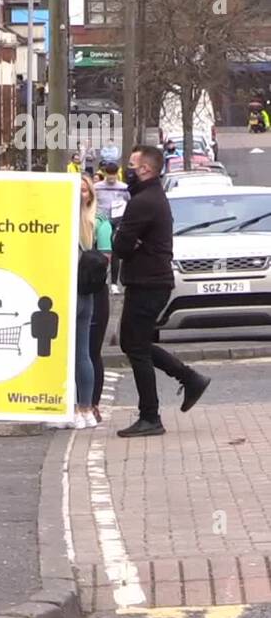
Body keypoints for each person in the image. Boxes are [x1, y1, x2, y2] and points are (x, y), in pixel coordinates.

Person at [114, 145, 211, 437]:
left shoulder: (143, 201)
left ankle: (151, 416)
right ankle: (189, 378)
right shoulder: (151, 197)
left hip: (147, 283)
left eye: (131, 164)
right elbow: (128, 243)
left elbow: (120, 246)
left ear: (145, 169)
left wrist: (129, 241)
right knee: (134, 343)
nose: (126, 169)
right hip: (150, 281)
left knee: (135, 346)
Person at [72, 175, 103, 430]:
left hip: (70, 292)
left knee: (68, 355)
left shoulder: (67, 222)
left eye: (83, 190)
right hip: (88, 294)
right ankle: (87, 408)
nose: (81, 194)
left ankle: (72, 409)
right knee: (83, 354)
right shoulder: (97, 221)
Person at [88, 184, 114, 425]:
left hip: (94, 293)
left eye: (85, 191)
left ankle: (93, 404)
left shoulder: (100, 223)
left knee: (92, 351)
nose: (80, 195)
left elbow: (104, 261)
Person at [94, 162, 129, 294]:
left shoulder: (123, 188)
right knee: (100, 252)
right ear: (105, 174)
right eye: (109, 175)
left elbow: (129, 202)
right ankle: (100, 279)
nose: (111, 178)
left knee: (114, 253)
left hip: (116, 221)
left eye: (113, 175)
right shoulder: (97, 187)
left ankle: (114, 283)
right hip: (101, 221)